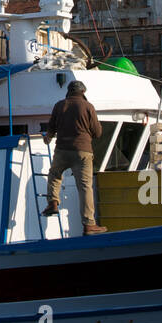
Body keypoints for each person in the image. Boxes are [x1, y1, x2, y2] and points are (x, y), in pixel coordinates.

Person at [43, 80, 105, 234]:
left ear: (69, 91)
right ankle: (89, 224)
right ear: (83, 92)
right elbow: (98, 133)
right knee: (85, 187)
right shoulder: (88, 107)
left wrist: (47, 138)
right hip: (82, 151)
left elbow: (51, 127)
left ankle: (53, 203)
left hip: (62, 149)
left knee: (55, 174)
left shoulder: (59, 105)